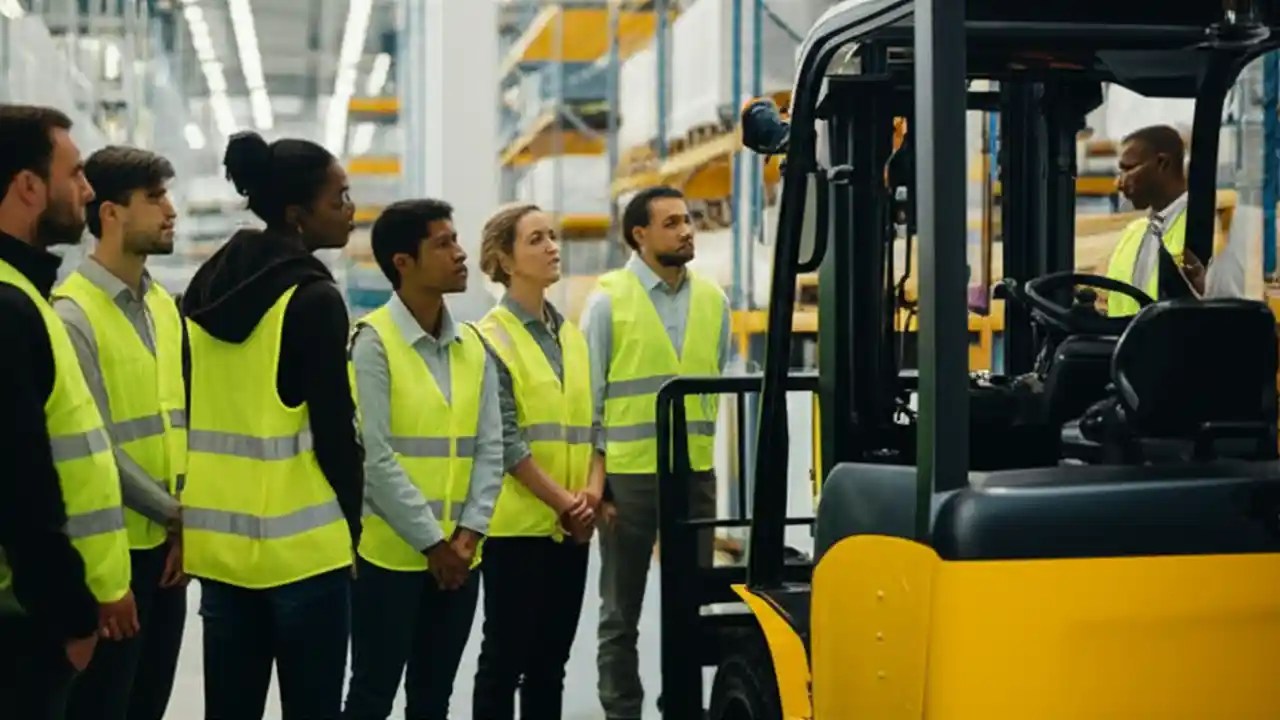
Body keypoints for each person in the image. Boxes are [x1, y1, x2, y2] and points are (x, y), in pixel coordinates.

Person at [179, 130, 362, 720]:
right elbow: (335, 435)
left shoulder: (203, 292)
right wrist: (354, 528)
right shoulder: (313, 300)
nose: (350, 209)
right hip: (306, 556)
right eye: (338, 199)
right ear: (296, 215)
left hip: (223, 553)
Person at [342, 199, 502, 720]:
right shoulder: (374, 342)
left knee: (432, 699)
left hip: (461, 555)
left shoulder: (472, 345)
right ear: (402, 262)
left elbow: (490, 448)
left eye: (457, 241)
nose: (460, 255)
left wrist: (468, 535)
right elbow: (376, 456)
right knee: (371, 694)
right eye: (444, 243)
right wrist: (434, 544)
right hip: (392, 558)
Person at [0, 104, 132, 719]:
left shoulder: (26, 293)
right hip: (29, 623)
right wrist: (72, 620)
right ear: (28, 186)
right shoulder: (9, 307)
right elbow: (21, 484)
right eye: (74, 173)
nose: (86, 191)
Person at [582, 185, 731, 720]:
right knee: (621, 612)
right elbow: (588, 403)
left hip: (694, 474)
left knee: (691, 605)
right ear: (639, 235)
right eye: (671, 223)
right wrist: (597, 486)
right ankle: (623, 712)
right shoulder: (608, 301)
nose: (686, 230)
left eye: (687, 219)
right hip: (630, 478)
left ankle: (682, 708)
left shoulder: (715, 300)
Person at [54, 146, 187, 720]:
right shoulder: (71, 315)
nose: (171, 211)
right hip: (111, 554)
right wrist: (176, 512)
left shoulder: (163, 305)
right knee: (104, 706)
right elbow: (96, 443)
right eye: (154, 199)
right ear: (110, 213)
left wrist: (181, 523)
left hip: (169, 548)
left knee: (149, 704)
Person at [471, 203, 602, 719]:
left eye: (553, 236)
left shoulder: (571, 335)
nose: (552, 247)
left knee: (552, 663)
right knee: (503, 661)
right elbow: (506, 441)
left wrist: (591, 492)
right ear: (504, 259)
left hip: (571, 528)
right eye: (536, 240)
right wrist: (567, 502)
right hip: (518, 529)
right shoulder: (490, 337)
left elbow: (594, 425)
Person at [1107, 124, 1199, 315]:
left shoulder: (1200, 228)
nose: (1119, 182)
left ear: (1162, 163)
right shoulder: (1134, 234)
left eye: (1129, 169)